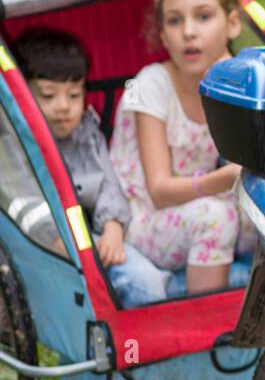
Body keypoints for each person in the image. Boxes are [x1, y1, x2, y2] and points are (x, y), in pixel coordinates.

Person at [109, 0, 254, 295]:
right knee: (217, 218)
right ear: (163, 35)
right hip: (145, 220)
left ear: (231, 24)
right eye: (175, 21)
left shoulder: (238, 81)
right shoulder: (151, 85)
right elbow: (159, 191)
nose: (188, 31)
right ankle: (204, 330)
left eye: (203, 17)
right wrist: (225, 178)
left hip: (203, 208)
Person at [15, 27, 170, 307]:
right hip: (44, 246)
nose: (64, 107)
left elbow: (108, 184)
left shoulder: (86, 131)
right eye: (48, 96)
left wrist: (112, 226)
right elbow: (24, 205)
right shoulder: (14, 145)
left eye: (74, 95)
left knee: (146, 283)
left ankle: (153, 317)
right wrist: (66, 245)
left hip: (92, 238)